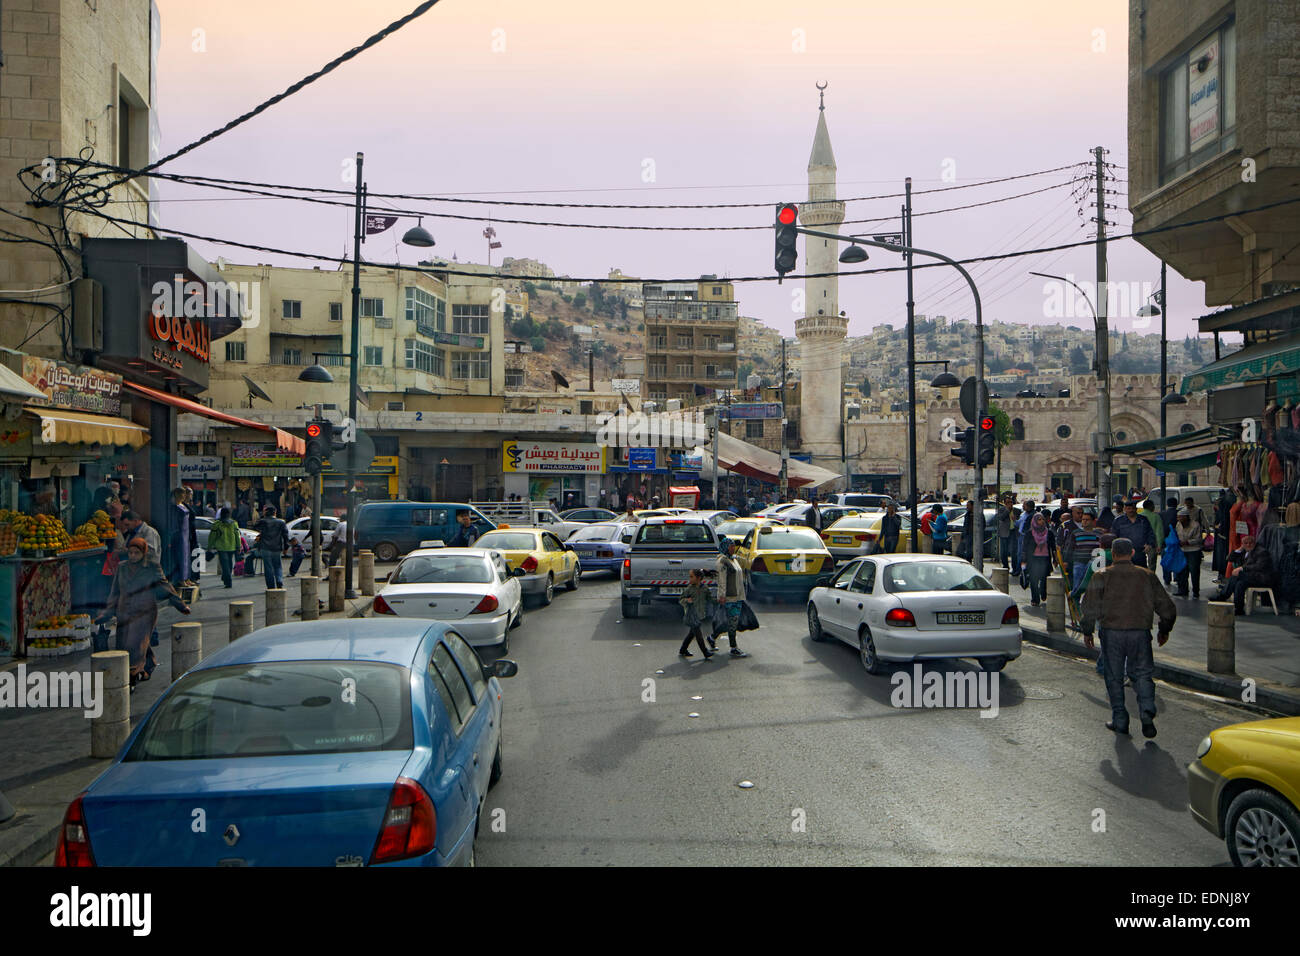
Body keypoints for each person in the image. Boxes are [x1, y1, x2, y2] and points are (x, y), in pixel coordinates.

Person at [1079, 537, 1176, 738]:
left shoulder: (1101, 576)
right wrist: (1164, 629)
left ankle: (1120, 719)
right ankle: (1147, 709)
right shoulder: (1147, 575)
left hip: (1111, 632)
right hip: (1140, 632)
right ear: (1132, 553)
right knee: (1142, 673)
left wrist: (1087, 631)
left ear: (1113, 554)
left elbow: (1089, 607)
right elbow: (1167, 608)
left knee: (1114, 676)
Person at [97, 538, 190, 688]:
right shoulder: (122, 567)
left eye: (136, 553)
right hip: (124, 611)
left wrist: (180, 605)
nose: (133, 556)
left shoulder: (152, 567)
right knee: (128, 644)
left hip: (144, 611)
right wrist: (107, 612)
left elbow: (165, 586)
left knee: (134, 643)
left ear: (143, 553)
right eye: (131, 553)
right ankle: (148, 665)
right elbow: (114, 592)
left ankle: (131, 676)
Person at [1214, 534, 1275, 613]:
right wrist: (1240, 548)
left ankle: (1223, 596)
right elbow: (1229, 558)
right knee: (1240, 583)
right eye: (1246, 543)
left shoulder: (1261, 552)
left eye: (1251, 543)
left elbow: (1259, 566)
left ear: (1255, 543)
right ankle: (1238, 608)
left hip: (1261, 578)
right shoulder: (1244, 551)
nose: (1248, 545)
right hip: (1249, 577)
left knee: (1237, 576)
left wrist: (1241, 568)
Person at [712, 538, 749, 658]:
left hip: (737, 596)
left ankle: (712, 637)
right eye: (731, 546)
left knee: (730, 622)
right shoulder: (722, 562)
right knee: (732, 622)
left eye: (733, 546)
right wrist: (722, 596)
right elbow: (721, 581)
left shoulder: (733, 559)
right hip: (729, 597)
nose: (733, 548)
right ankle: (733, 647)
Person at [678, 568, 715, 659]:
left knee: (692, 633)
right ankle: (705, 652)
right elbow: (680, 600)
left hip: (700, 614)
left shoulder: (705, 588)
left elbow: (710, 599)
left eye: (691, 577)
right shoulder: (689, 589)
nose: (690, 579)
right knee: (698, 634)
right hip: (692, 615)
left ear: (698, 578)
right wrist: (687, 600)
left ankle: (683, 650)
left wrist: (718, 602)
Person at [1066, 509, 1101, 602]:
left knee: (1092, 586)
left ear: (1093, 521)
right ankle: (1075, 605)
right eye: (1083, 519)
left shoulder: (1099, 534)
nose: (1084, 521)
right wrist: (1066, 561)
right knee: (1077, 584)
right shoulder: (1076, 533)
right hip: (1079, 562)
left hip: (1094, 564)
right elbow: (1070, 548)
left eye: (1087, 519)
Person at [253, 505, 290, 590]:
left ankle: (271, 586)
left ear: (266, 513)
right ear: (275, 512)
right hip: (277, 547)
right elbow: (285, 536)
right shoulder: (281, 522)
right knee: (278, 565)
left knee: (268, 567)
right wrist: (286, 547)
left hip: (265, 547)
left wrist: (263, 517)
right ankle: (279, 580)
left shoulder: (263, 521)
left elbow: (255, 526)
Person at [1023, 511, 1055, 607]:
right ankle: (1035, 599)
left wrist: (1056, 559)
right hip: (1033, 559)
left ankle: (1043, 592)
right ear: (1035, 521)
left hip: (1045, 559)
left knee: (1044, 578)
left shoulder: (1048, 533)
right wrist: (1023, 561)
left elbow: (1053, 547)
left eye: (1042, 519)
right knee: (1034, 580)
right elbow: (1024, 547)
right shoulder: (1029, 534)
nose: (1041, 521)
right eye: (1039, 519)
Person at [1111, 499, 1155, 567]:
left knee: (1140, 574)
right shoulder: (1118, 521)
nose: (1131, 510)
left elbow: (1150, 533)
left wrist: (1149, 544)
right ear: (1125, 509)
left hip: (1140, 552)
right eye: (1129, 508)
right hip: (1123, 553)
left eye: (1133, 508)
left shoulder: (1143, 520)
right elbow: (1113, 536)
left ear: (1136, 509)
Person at [1173, 506, 1205, 598]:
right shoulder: (1178, 524)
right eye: (1178, 517)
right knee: (1182, 571)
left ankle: (1195, 591)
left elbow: (1198, 539)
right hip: (1182, 550)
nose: (1178, 519)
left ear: (1186, 517)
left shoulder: (1196, 525)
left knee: (1194, 571)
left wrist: (1187, 542)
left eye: (1180, 517)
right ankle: (1183, 590)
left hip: (1193, 550)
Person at [208, 506, 241, 589]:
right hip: (232, 546)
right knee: (229, 564)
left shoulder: (217, 524)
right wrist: (238, 546)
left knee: (225, 564)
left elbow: (212, 536)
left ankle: (228, 580)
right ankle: (226, 577)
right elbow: (238, 535)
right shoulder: (234, 523)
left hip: (221, 547)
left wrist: (210, 546)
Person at [1141, 499, 1165, 573]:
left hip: (1140, 543)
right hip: (1152, 544)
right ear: (1150, 506)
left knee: (1141, 563)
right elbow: (1159, 532)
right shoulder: (1156, 516)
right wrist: (1159, 545)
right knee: (1152, 564)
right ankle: (1151, 579)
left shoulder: (1139, 516)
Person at [995, 495, 1013, 569]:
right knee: (1004, 550)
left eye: (1011, 502)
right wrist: (1007, 510)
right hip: (1004, 532)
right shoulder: (1002, 509)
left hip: (1013, 531)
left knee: (1013, 550)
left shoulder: (1015, 510)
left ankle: (1014, 566)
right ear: (1005, 503)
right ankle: (1005, 565)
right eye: (1008, 502)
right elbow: (1001, 518)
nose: (1010, 504)